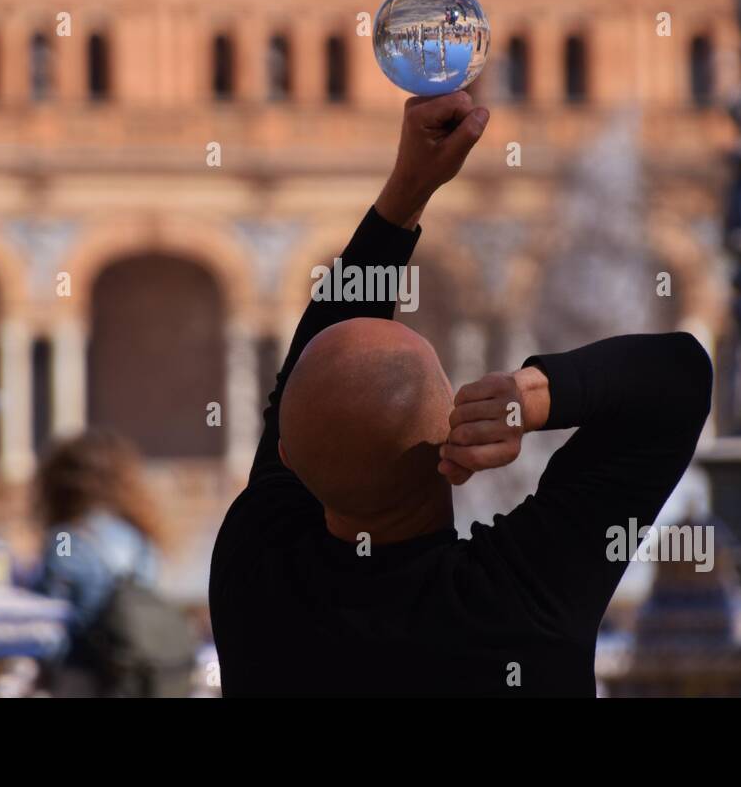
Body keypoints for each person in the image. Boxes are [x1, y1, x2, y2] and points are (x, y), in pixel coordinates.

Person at [209, 91, 713, 696]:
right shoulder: (524, 600)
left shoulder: (254, 567)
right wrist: (534, 395)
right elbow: (681, 374)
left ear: (287, 456)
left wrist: (404, 193)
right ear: (453, 447)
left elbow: (306, 375)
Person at [36, 429, 195, 697]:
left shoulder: (65, 539)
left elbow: (51, 630)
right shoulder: (139, 538)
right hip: (142, 677)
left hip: (86, 678)